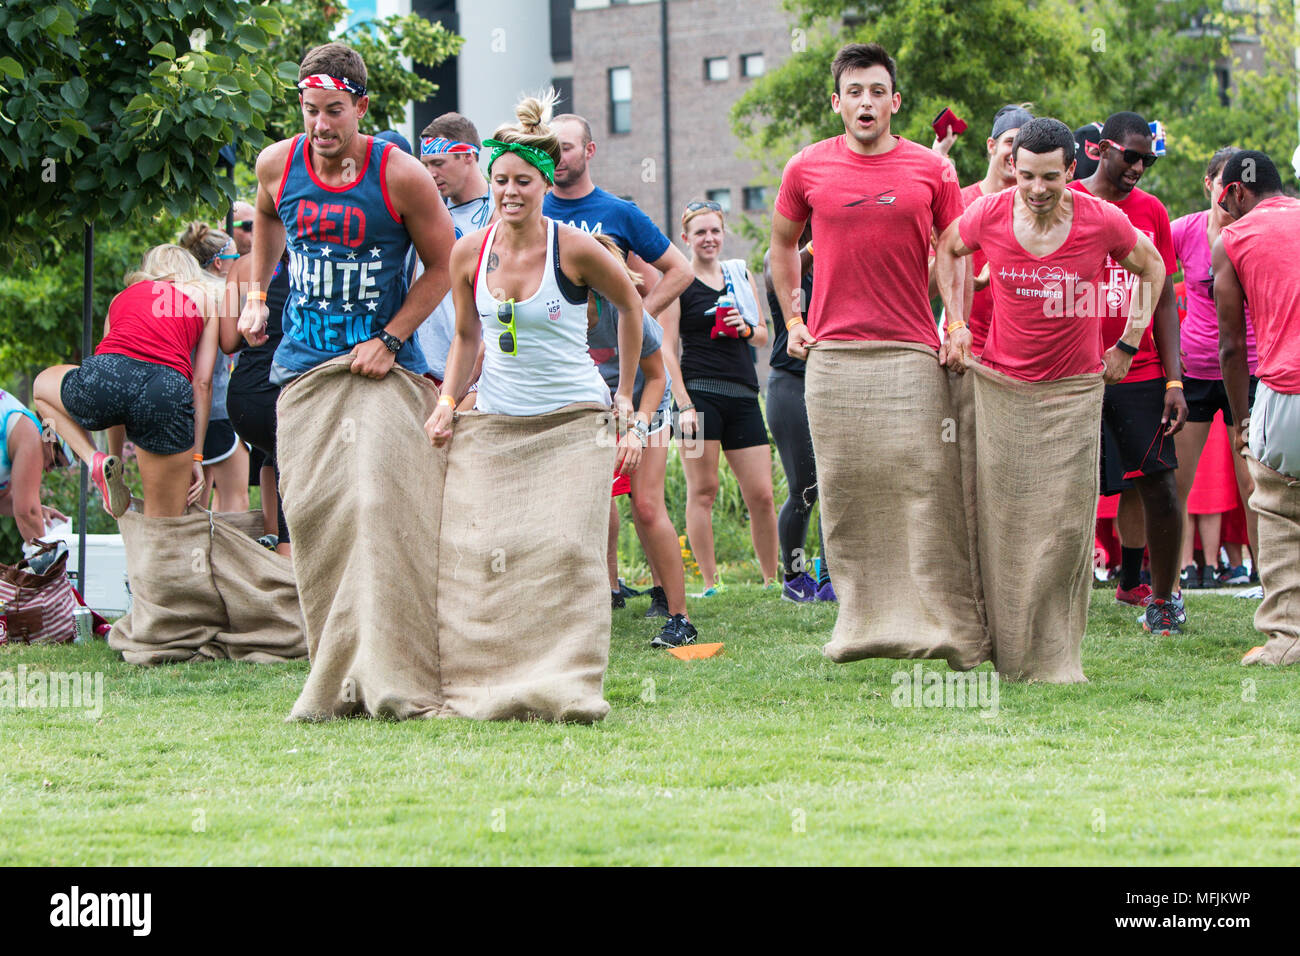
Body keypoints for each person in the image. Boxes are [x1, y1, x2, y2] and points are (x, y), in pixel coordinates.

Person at [936, 117, 1168, 635]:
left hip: (1073, 392)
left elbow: (1153, 269)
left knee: (1065, 522)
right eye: (1027, 177)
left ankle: (1054, 628)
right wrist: (956, 324)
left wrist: (1128, 343)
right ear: (1013, 169)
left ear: (1070, 170)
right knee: (1006, 514)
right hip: (1003, 389)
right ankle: (1002, 619)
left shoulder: (1101, 219)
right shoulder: (989, 213)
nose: (1038, 190)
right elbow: (947, 251)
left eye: (1051, 178)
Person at [425, 92, 651, 619]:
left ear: (547, 184)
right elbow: (466, 337)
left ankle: (570, 653)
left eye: (524, 181)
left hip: (573, 417)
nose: (510, 192)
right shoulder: (469, 251)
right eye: (501, 180)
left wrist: (623, 395)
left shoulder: (574, 247)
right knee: (499, 543)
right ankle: (511, 647)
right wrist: (446, 400)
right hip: (502, 415)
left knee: (566, 544)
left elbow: (632, 308)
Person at [1068, 111, 1186, 624]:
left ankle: (1158, 598)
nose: (1140, 167)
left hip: (1140, 372)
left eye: (1148, 159)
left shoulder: (1152, 211)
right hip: (1072, 371)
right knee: (1062, 489)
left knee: (1156, 484)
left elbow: (1163, 299)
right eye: (1131, 156)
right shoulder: (1066, 199)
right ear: (1100, 149)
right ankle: (1054, 599)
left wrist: (1175, 379)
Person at [34, 244, 221, 517]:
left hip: (106, 374)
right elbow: (202, 384)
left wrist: (115, 463)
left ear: (149, 269)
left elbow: (118, 376)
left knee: (41, 387)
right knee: (164, 524)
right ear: (191, 271)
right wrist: (197, 456)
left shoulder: (122, 297)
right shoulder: (204, 298)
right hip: (165, 389)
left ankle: (94, 460)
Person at [659, 200, 777, 594]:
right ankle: (710, 583)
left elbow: (763, 335)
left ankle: (770, 580)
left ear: (723, 234)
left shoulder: (738, 274)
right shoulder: (678, 280)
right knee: (703, 491)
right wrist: (684, 405)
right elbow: (665, 347)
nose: (709, 239)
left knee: (761, 493)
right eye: (700, 232)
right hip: (699, 395)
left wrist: (742, 328)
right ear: (686, 238)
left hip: (743, 393)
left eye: (715, 231)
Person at [587, 233, 697, 646]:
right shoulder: (557, 306)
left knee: (646, 506)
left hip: (645, 400)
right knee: (588, 505)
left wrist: (635, 429)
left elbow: (657, 377)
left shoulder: (624, 310)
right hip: (595, 408)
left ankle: (680, 617)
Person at [1213, 149, 1300, 665]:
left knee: (1278, 509)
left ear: (1237, 192)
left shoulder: (1234, 240)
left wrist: (1242, 419)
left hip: (1285, 388)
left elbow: (1231, 346)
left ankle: (1287, 638)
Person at [1170, 146, 1259, 589]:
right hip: (1196, 372)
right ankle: (1168, 587)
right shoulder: (1184, 230)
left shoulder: (1257, 233)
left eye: (1240, 188)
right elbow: (1145, 271)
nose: (1232, 195)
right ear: (1210, 184)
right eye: (1225, 185)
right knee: (1176, 485)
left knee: (1255, 485)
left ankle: (1268, 582)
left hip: (1251, 370)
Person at [763, 230, 834, 602]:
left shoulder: (835, 267)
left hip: (833, 381)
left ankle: (830, 576)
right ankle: (794, 578)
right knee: (805, 487)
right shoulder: (780, 261)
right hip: (789, 383)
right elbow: (779, 265)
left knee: (834, 484)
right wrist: (819, 242)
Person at [412, 112, 493, 387]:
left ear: (469, 156)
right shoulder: (424, 210)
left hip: (484, 374)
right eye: (426, 165)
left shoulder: (501, 212)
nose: (431, 173)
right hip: (425, 370)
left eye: (438, 163)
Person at [222, 246, 292, 555]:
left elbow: (227, 341)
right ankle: (286, 560)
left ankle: (270, 536)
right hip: (288, 394)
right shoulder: (317, 257)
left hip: (244, 400)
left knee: (271, 454)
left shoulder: (243, 265)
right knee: (288, 465)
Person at [179, 222, 250, 514]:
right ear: (220, 262)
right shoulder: (228, 294)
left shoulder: (179, 293)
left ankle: (192, 560)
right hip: (219, 406)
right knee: (236, 501)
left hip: (184, 406)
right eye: (236, 258)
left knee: (195, 503)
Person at [959, 104, 1032, 354]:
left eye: (1026, 145)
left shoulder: (1041, 209)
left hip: (1021, 356)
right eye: (1010, 141)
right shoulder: (960, 202)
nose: (1017, 152)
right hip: (968, 349)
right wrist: (972, 282)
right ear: (991, 145)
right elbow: (933, 274)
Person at [0, 389, 70, 573]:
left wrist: (38, 509)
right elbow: (26, 512)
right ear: (50, 439)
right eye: (55, 463)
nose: (48, 469)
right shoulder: (31, 433)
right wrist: (49, 568)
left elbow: (2, 499)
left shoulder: (19, 428)